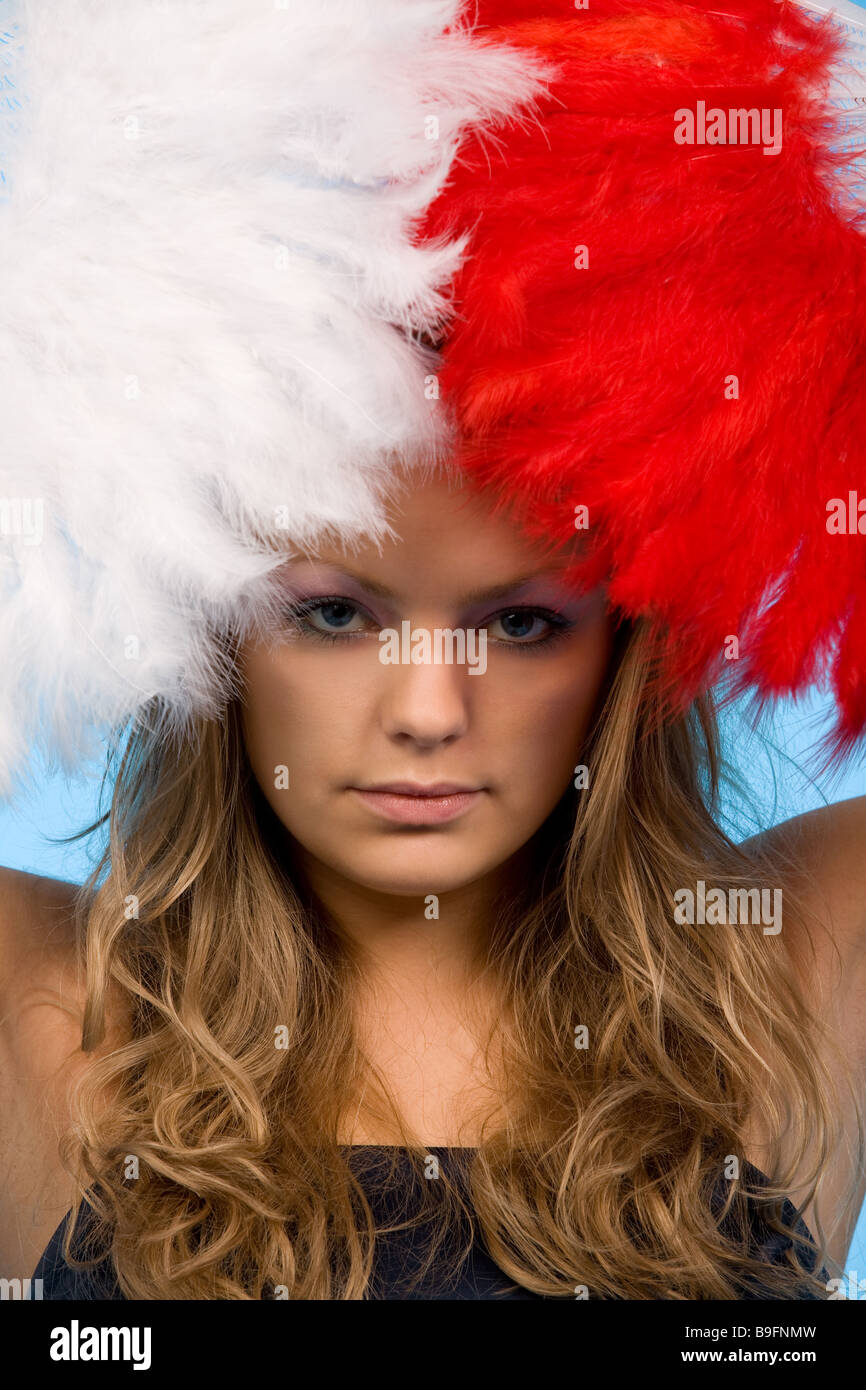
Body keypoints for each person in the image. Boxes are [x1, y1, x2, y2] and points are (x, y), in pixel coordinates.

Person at [0, 0, 864, 1300]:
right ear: (202, 612)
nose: (425, 712)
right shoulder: (46, 1013)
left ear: (624, 645)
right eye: (333, 613)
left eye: (519, 623)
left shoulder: (790, 973)